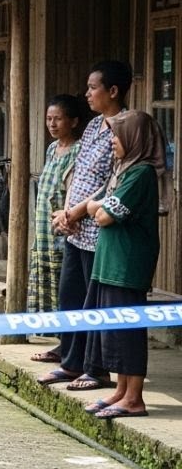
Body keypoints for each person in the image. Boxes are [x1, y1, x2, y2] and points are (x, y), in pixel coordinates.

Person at [42, 62, 130, 390]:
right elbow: (78, 172)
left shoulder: (127, 127)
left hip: (98, 229)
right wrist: (67, 212)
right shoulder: (93, 127)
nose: (87, 93)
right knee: (70, 296)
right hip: (75, 228)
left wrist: (76, 212)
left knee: (95, 303)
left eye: (93, 87)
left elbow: (113, 181)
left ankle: (96, 369)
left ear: (113, 91)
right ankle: (71, 361)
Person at [82, 110, 164, 419]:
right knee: (113, 330)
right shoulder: (125, 170)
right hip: (110, 263)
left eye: (117, 136)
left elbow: (105, 215)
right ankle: (121, 390)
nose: (113, 142)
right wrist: (96, 206)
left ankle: (134, 398)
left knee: (128, 332)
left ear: (133, 139)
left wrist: (93, 206)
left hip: (127, 265)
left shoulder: (141, 173)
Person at [26, 96, 83, 333]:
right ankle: (46, 328)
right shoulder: (52, 149)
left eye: (58, 119)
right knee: (43, 275)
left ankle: (62, 335)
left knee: (62, 279)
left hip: (63, 224)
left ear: (74, 121)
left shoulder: (78, 150)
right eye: (49, 119)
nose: (52, 124)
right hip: (43, 227)